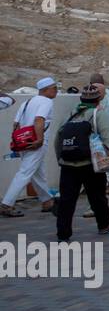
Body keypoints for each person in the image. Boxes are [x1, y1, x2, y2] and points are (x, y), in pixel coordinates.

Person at [53, 82, 109, 240]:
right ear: (98, 99)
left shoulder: (71, 114)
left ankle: (63, 233)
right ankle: (104, 224)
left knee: (67, 199)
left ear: (81, 99)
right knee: (97, 196)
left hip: (68, 163)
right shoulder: (98, 114)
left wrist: (60, 158)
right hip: (89, 163)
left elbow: (59, 138)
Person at [2, 77, 59, 217]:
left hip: (23, 142)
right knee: (25, 173)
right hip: (36, 142)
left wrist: (17, 143)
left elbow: (16, 124)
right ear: (46, 90)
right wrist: (39, 139)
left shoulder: (27, 102)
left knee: (37, 172)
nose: (56, 91)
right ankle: (6, 204)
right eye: (54, 88)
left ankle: (47, 201)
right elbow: (39, 119)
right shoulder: (46, 102)